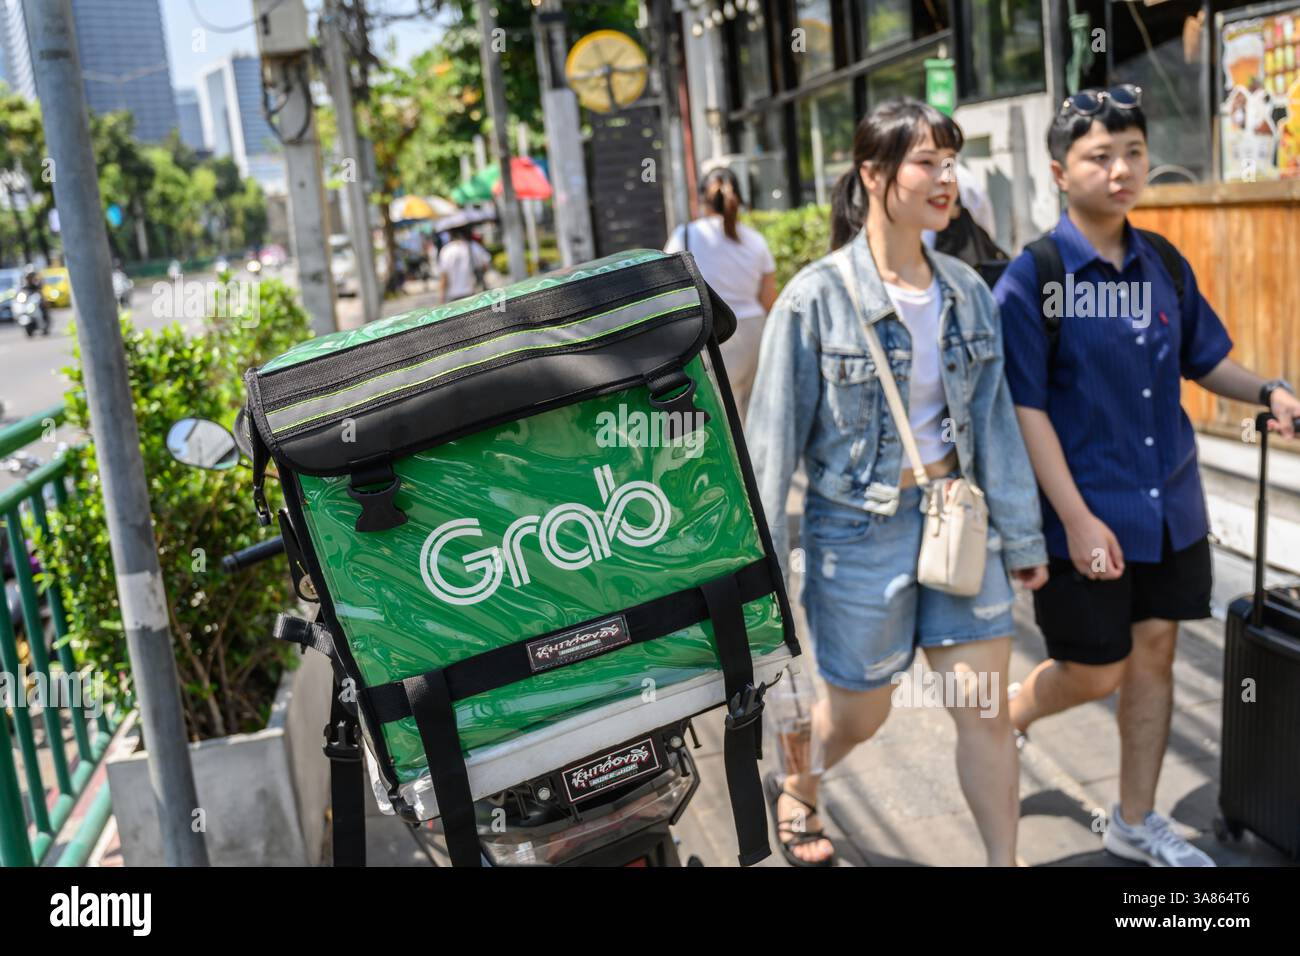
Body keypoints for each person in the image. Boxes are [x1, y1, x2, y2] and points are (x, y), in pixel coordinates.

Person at [994, 85, 1300, 867]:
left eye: (1133, 151)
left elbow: (1206, 358)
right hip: (1085, 512)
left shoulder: (1163, 260)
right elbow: (1025, 411)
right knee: (1097, 669)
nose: (1123, 168)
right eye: (1101, 155)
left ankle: (1134, 818)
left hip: (1170, 504)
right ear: (1061, 171)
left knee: (1156, 651)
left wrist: (1267, 390)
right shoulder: (1033, 280)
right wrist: (1076, 520)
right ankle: (1007, 714)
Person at [746, 98, 1049, 867]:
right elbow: (770, 447)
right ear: (873, 173)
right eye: (928, 162)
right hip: (856, 532)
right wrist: (760, 576)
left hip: (959, 519)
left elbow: (994, 427)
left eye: (953, 161)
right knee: (859, 717)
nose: (948, 178)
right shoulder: (815, 300)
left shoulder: (966, 291)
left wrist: (1022, 536)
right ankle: (801, 787)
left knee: (981, 712)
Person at [664, 167, 777, 419]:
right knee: (750, 411)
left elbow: (668, 287)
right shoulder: (756, 240)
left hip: (711, 332)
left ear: (702, 198)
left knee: (720, 411)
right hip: (753, 333)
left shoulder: (685, 235)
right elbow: (770, 300)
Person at [437, 226, 491, 304]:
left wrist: (441, 300)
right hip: (474, 293)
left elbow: (444, 277)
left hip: (454, 297)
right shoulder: (474, 246)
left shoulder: (447, 250)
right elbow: (485, 265)